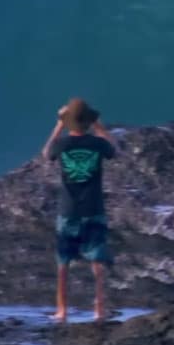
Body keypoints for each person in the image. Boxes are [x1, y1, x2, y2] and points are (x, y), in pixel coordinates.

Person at [40, 97, 118, 323]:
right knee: (97, 261)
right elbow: (116, 149)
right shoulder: (97, 143)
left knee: (63, 262)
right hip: (94, 208)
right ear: (89, 121)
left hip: (68, 210)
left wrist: (59, 124)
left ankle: (62, 310)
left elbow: (46, 153)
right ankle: (99, 309)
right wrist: (99, 125)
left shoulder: (62, 144)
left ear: (68, 123)